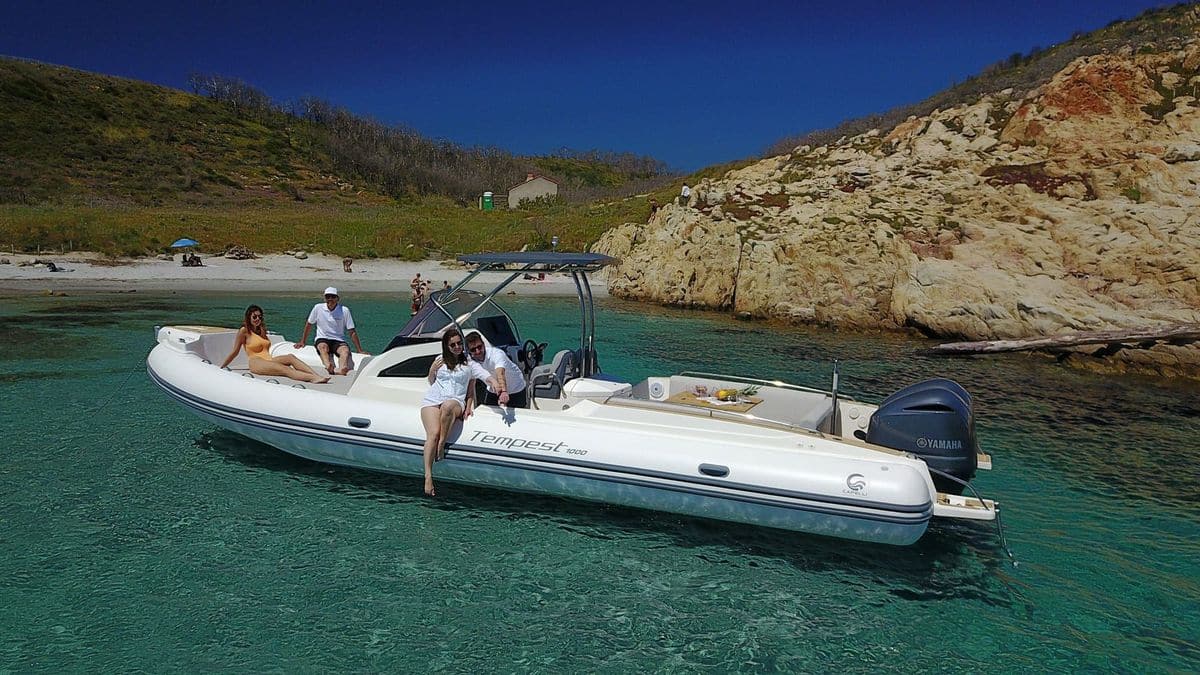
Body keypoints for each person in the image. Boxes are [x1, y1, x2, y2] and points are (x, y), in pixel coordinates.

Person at [420, 328, 477, 496]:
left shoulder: (469, 364)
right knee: (432, 433)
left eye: (459, 343)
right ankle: (428, 476)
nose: (457, 347)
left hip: (455, 401)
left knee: (447, 407)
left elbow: (471, 391)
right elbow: (432, 381)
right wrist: (431, 371)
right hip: (433, 399)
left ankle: (442, 444)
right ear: (447, 346)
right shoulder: (439, 360)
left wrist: (469, 406)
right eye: (453, 344)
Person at [219, 305, 330, 384]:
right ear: (248, 317)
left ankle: (316, 375)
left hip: (269, 360)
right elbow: (235, 351)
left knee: (290, 357)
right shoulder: (244, 331)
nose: (258, 319)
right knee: (285, 370)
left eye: (260, 317)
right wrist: (222, 367)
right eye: (254, 317)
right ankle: (312, 378)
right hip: (256, 362)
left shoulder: (262, 330)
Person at [294, 287, 368, 375]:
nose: (330, 299)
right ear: (324, 298)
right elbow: (309, 324)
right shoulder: (318, 308)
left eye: (333, 297)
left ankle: (342, 368)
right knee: (322, 347)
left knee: (345, 350)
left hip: (338, 340)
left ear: (337, 298)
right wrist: (303, 341)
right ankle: (328, 365)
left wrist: (359, 350)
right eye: (327, 297)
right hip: (322, 338)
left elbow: (351, 331)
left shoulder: (344, 310)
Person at [465, 331, 528, 408]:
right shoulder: (470, 362)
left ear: (484, 345)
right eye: (473, 349)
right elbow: (472, 382)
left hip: (515, 388)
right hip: (493, 389)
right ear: (469, 351)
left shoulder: (497, 354)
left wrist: (504, 391)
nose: (477, 351)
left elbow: (500, 372)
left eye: (479, 347)